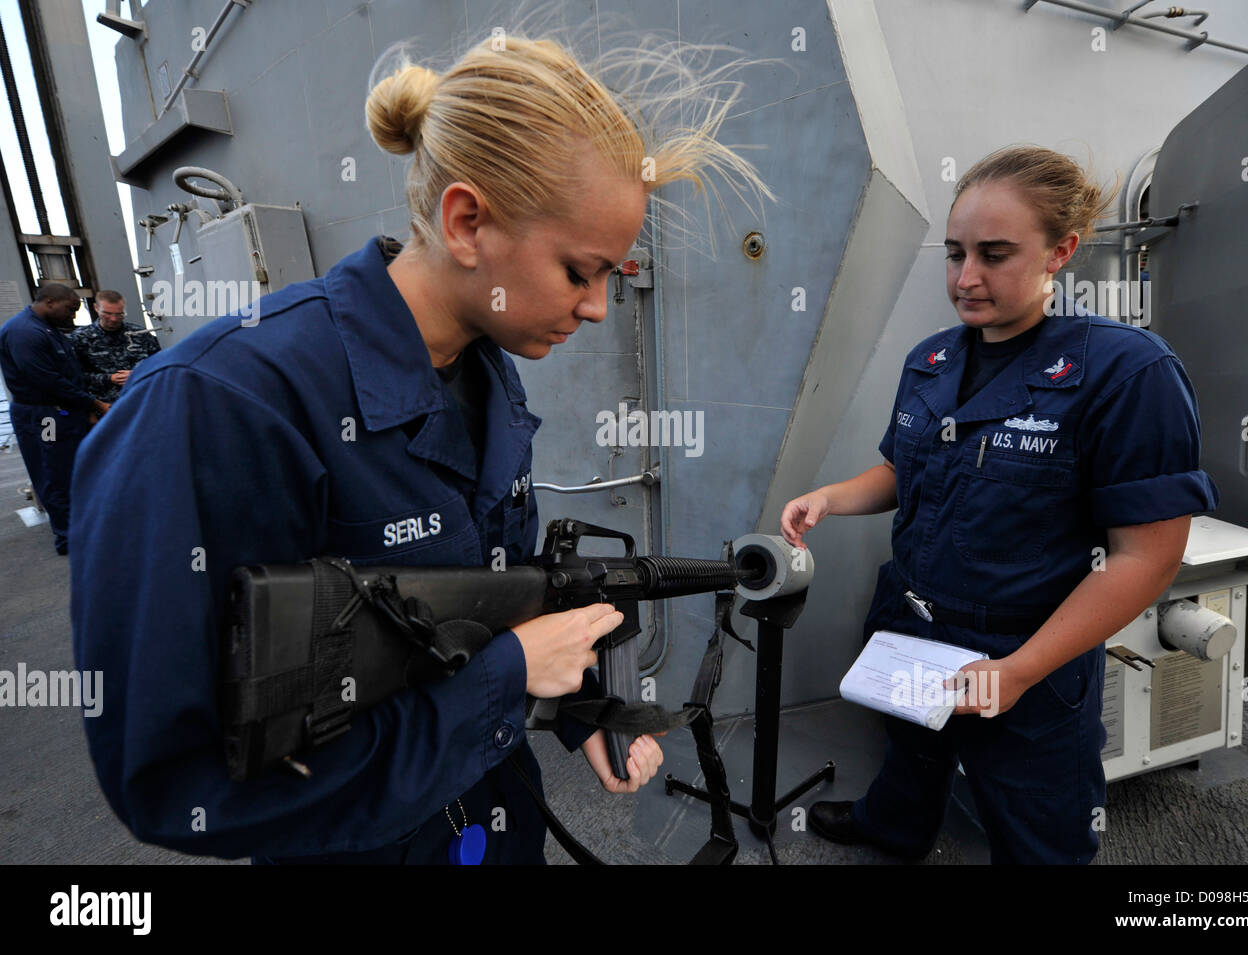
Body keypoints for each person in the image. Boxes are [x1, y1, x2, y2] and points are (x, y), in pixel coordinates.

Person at [70, 33, 768, 864]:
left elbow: (491, 598)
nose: (596, 310)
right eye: (581, 272)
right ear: (467, 221)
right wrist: (503, 682)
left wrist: (575, 706)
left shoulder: (487, 374)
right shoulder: (214, 406)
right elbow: (173, 783)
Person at [781, 146, 1218, 865]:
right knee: (913, 749)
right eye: (954, 254)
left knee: (1039, 823)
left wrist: (1019, 670)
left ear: (1062, 250)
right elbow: (903, 467)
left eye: (994, 253)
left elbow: (1147, 556)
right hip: (914, 620)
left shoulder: (1129, 373)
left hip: (1027, 651)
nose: (966, 278)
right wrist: (831, 496)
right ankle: (893, 826)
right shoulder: (932, 360)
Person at [0, 284, 111, 555]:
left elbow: (69, 374)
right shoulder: (24, 333)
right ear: (49, 302)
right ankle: (68, 540)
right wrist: (95, 404)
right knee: (54, 475)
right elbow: (48, 380)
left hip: (64, 412)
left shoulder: (48, 330)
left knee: (76, 470)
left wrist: (85, 410)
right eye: (71, 309)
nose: (74, 316)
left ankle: (85, 530)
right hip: (44, 417)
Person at [71, 289, 161, 402]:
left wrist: (140, 373)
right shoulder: (81, 338)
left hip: (144, 399)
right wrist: (109, 378)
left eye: (119, 314)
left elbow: (160, 365)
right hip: (107, 405)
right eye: (107, 313)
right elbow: (74, 376)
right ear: (96, 308)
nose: (113, 319)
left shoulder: (140, 334)